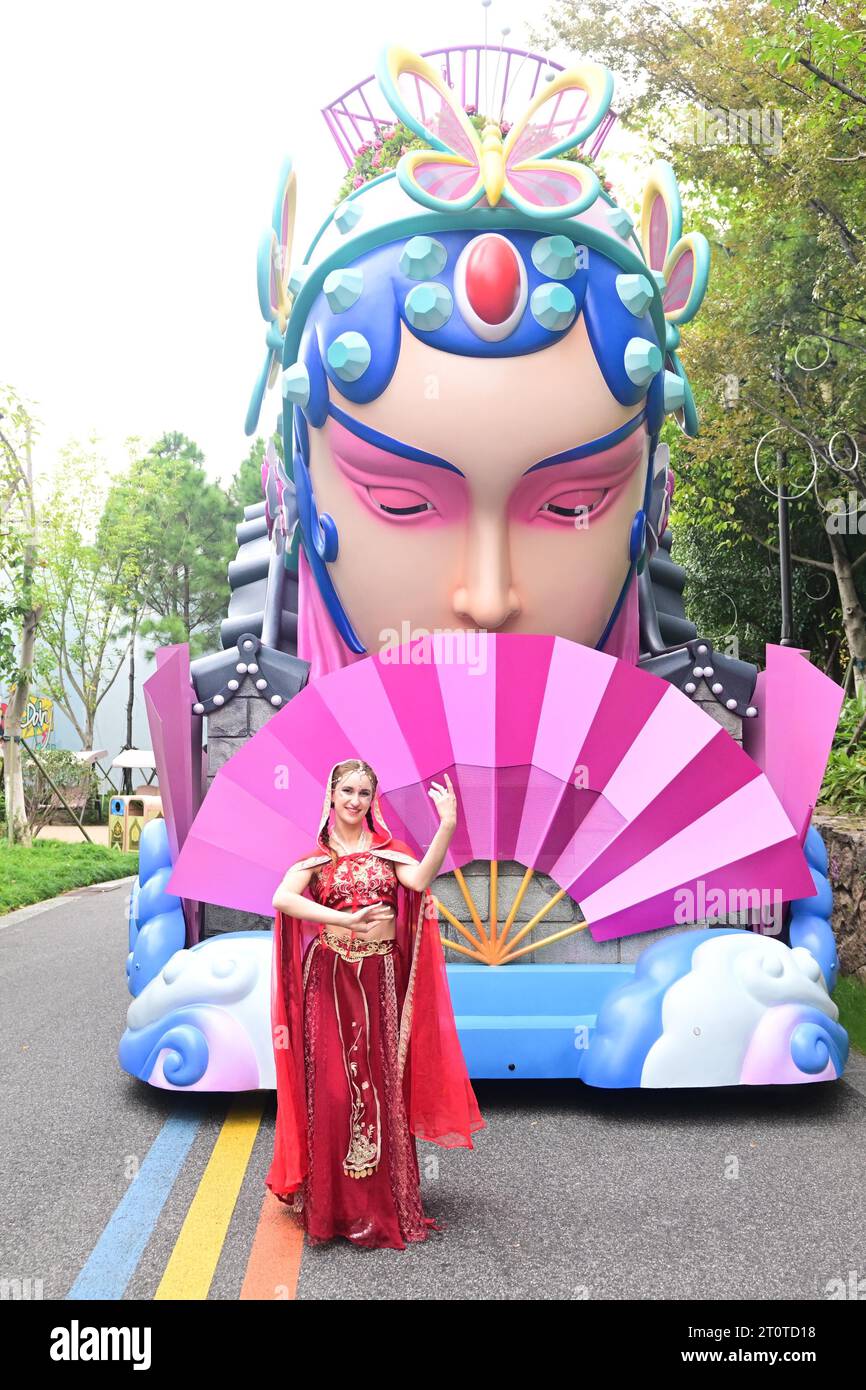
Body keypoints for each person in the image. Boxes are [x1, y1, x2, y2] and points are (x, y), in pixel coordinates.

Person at [266, 757, 485, 1249]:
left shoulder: (390, 854)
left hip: (379, 975)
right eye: (347, 790)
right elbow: (283, 898)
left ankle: (379, 1206)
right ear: (332, 794)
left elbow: (420, 880)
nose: (355, 800)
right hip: (329, 976)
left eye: (364, 793)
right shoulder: (316, 859)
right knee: (334, 1090)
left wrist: (447, 826)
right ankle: (333, 1208)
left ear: (372, 799)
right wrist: (340, 919)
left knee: (381, 1087)